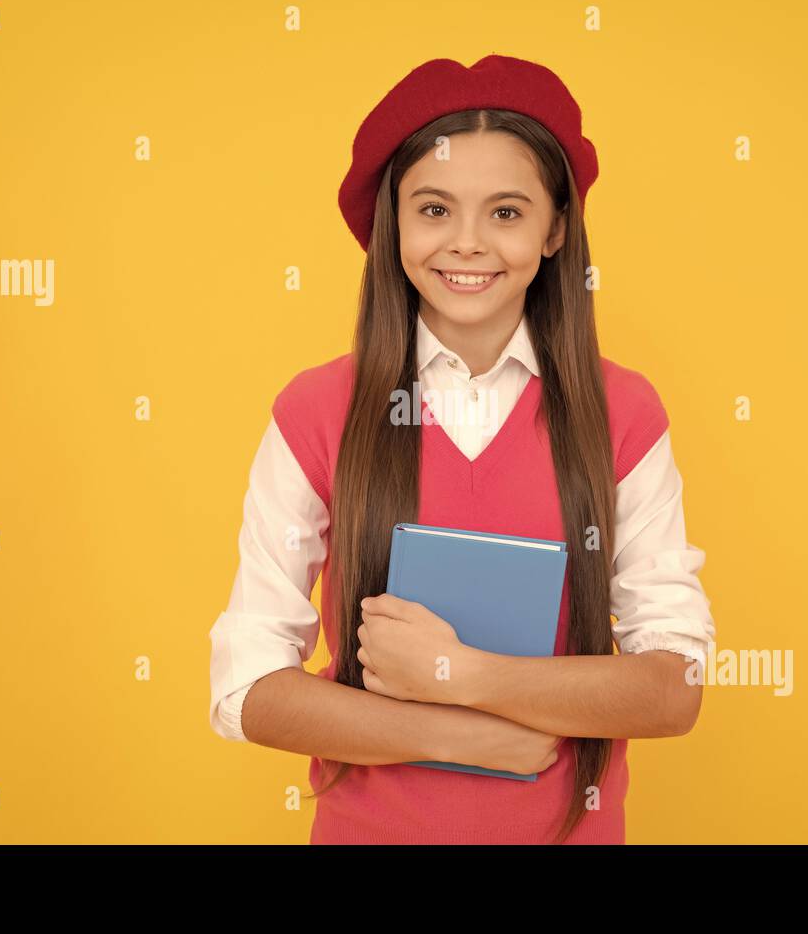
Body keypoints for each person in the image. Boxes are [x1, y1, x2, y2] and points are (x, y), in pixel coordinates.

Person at [208, 54, 716, 844]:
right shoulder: (315, 413)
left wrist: (465, 675)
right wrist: (459, 732)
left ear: (554, 229)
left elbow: (674, 685)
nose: (468, 244)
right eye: (435, 209)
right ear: (394, 224)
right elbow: (246, 689)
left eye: (506, 213)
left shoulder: (623, 413)